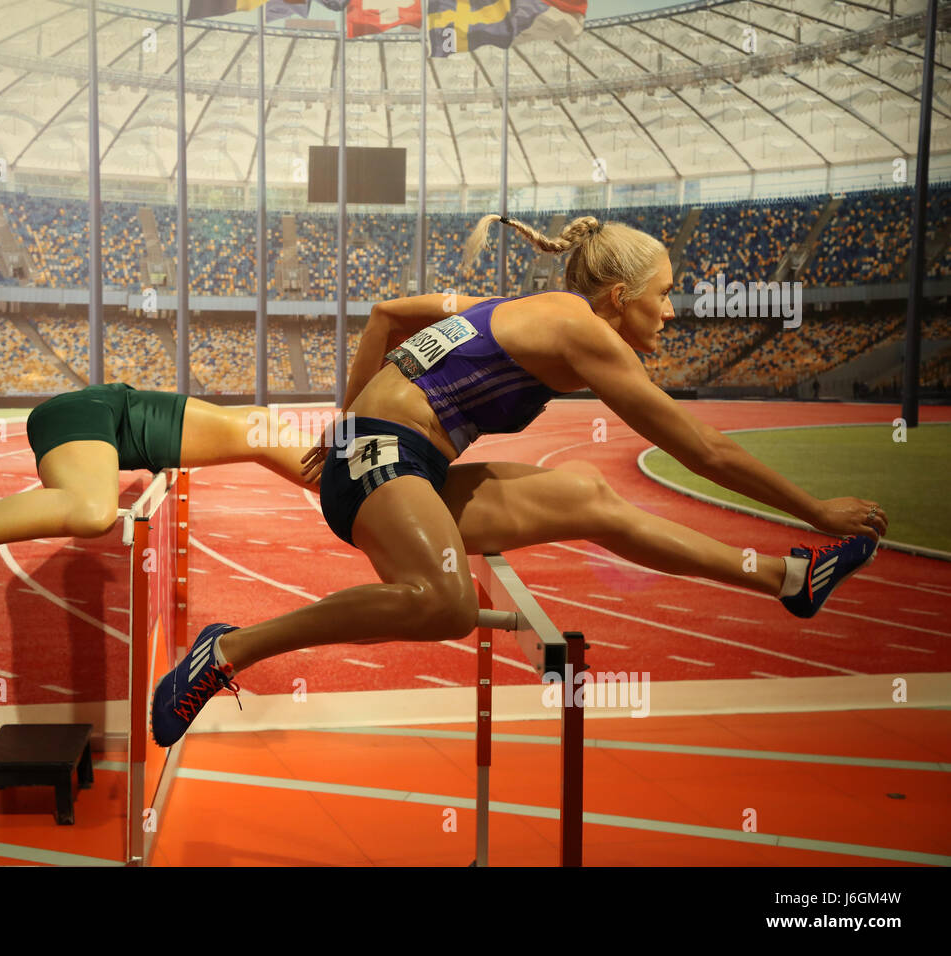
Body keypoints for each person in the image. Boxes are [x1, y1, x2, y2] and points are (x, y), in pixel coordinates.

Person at [150, 214, 887, 747]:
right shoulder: (581, 332)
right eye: (664, 294)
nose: (672, 309)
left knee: (591, 498)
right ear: (619, 296)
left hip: (406, 461)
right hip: (380, 458)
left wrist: (344, 422)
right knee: (444, 602)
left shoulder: (506, 309)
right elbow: (702, 447)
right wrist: (816, 508)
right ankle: (228, 650)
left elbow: (386, 314)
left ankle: (790, 580)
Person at [0, 382, 317, 618]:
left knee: (266, 432)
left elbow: (319, 467)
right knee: (92, 512)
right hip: (79, 411)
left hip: (125, 420)